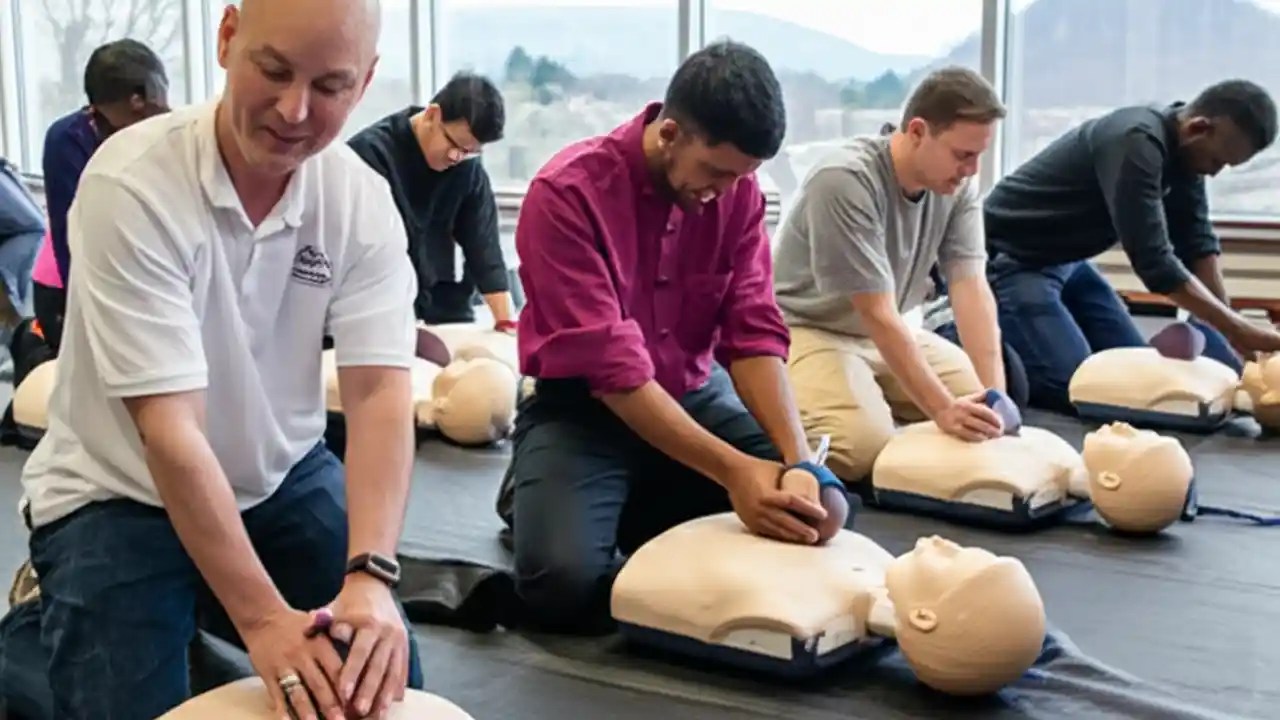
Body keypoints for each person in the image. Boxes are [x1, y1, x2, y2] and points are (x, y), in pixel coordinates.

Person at [0, 0, 426, 718]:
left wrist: (371, 576)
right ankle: (35, 631)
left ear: (365, 82)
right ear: (228, 38)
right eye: (275, 70)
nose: (295, 110)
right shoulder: (132, 182)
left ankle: (182, 604)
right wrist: (262, 623)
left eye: (329, 88)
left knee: (384, 676)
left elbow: (381, 392)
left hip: (279, 478)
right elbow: (170, 431)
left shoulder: (359, 201)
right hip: (118, 493)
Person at [501, 40, 842, 633]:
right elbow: (616, 374)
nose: (725, 190)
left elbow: (754, 330)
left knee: (821, 512)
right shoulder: (566, 196)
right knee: (561, 584)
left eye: (741, 177)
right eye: (715, 172)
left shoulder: (737, 194)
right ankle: (540, 491)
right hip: (583, 411)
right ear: (669, 133)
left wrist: (799, 459)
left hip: (691, 392)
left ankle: (617, 497)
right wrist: (735, 474)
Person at [772, 67, 1009, 487]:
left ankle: (880, 411)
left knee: (978, 410)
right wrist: (941, 410)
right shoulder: (844, 181)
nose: (972, 169)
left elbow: (971, 288)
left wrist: (997, 400)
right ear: (917, 131)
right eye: (962, 155)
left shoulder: (957, 187)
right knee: (857, 449)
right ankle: (783, 403)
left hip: (885, 331)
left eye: (978, 156)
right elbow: (876, 312)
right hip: (808, 329)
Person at [983, 79, 1280, 412]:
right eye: (1218, 161)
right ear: (1199, 128)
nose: (1214, 172)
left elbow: (1197, 244)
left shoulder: (1186, 151)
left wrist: (1237, 341)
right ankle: (968, 332)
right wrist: (1239, 329)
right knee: (1078, 387)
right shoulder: (1136, 142)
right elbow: (1154, 263)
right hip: (1012, 259)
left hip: (1069, 263)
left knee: (1137, 375)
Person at [32, 38, 171, 353]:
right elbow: (69, 235)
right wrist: (84, 317)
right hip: (68, 287)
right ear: (133, 101)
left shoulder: (169, 132)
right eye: (150, 104)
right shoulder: (68, 139)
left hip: (138, 281)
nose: (159, 110)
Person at [348, 71, 515, 329]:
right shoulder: (369, 157)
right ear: (432, 115)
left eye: (470, 153)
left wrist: (507, 324)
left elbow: (485, 251)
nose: (456, 158)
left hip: (446, 311)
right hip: (379, 312)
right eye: (455, 145)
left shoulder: (466, 166)